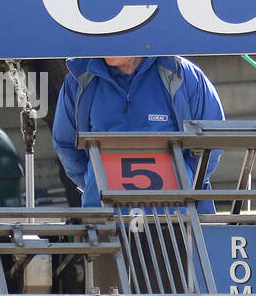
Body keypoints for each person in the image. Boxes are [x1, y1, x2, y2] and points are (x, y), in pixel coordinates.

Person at [51, 55, 225, 211]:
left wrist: (186, 182)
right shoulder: (78, 78)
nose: (107, 40)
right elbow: (66, 145)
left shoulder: (182, 73)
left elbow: (212, 138)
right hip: (106, 220)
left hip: (181, 217)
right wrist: (94, 182)